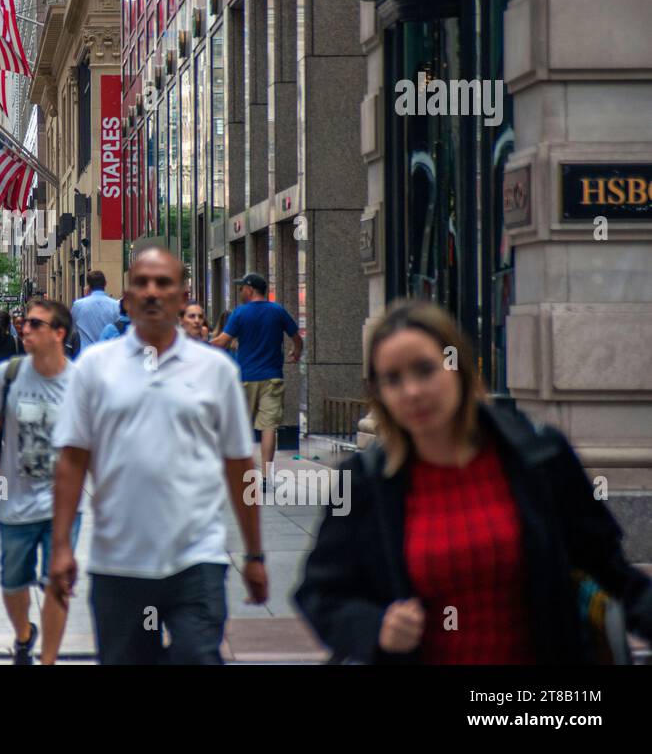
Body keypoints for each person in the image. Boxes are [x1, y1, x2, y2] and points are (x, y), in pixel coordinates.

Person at [296, 301, 652, 663]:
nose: (412, 391)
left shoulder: (540, 457)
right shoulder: (363, 482)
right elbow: (319, 593)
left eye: (425, 370)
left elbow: (609, 571)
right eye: (393, 379)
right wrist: (375, 627)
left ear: (459, 367)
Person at [49, 245, 267, 664]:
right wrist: (61, 547)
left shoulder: (216, 370)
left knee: (196, 656)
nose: (151, 292)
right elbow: (72, 462)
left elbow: (240, 466)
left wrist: (254, 553)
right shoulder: (94, 368)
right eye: (141, 283)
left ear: (183, 296)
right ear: (127, 297)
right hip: (118, 565)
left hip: (196, 561)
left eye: (163, 283)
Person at [0, 299, 81, 664]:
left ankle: (48, 658)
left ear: (59, 333)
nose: (25, 328)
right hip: (15, 502)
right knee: (12, 582)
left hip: (63, 505)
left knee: (56, 582)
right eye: (25, 322)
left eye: (35, 324)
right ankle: (23, 633)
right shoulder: (8, 375)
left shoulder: (80, 382)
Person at [213, 273, 303, 477]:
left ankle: (239, 471)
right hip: (272, 377)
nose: (240, 291)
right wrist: (296, 351)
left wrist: (196, 344)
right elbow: (297, 338)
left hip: (245, 378)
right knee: (268, 428)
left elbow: (223, 342)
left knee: (241, 426)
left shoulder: (240, 313)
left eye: (242, 288)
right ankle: (265, 476)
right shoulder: (277, 310)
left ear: (250, 289)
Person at [70, 271, 119, 348]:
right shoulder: (115, 305)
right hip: (108, 351)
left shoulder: (78, 305)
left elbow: (73, 328)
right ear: (105, 283)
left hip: (86, 351)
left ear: (88, 286)